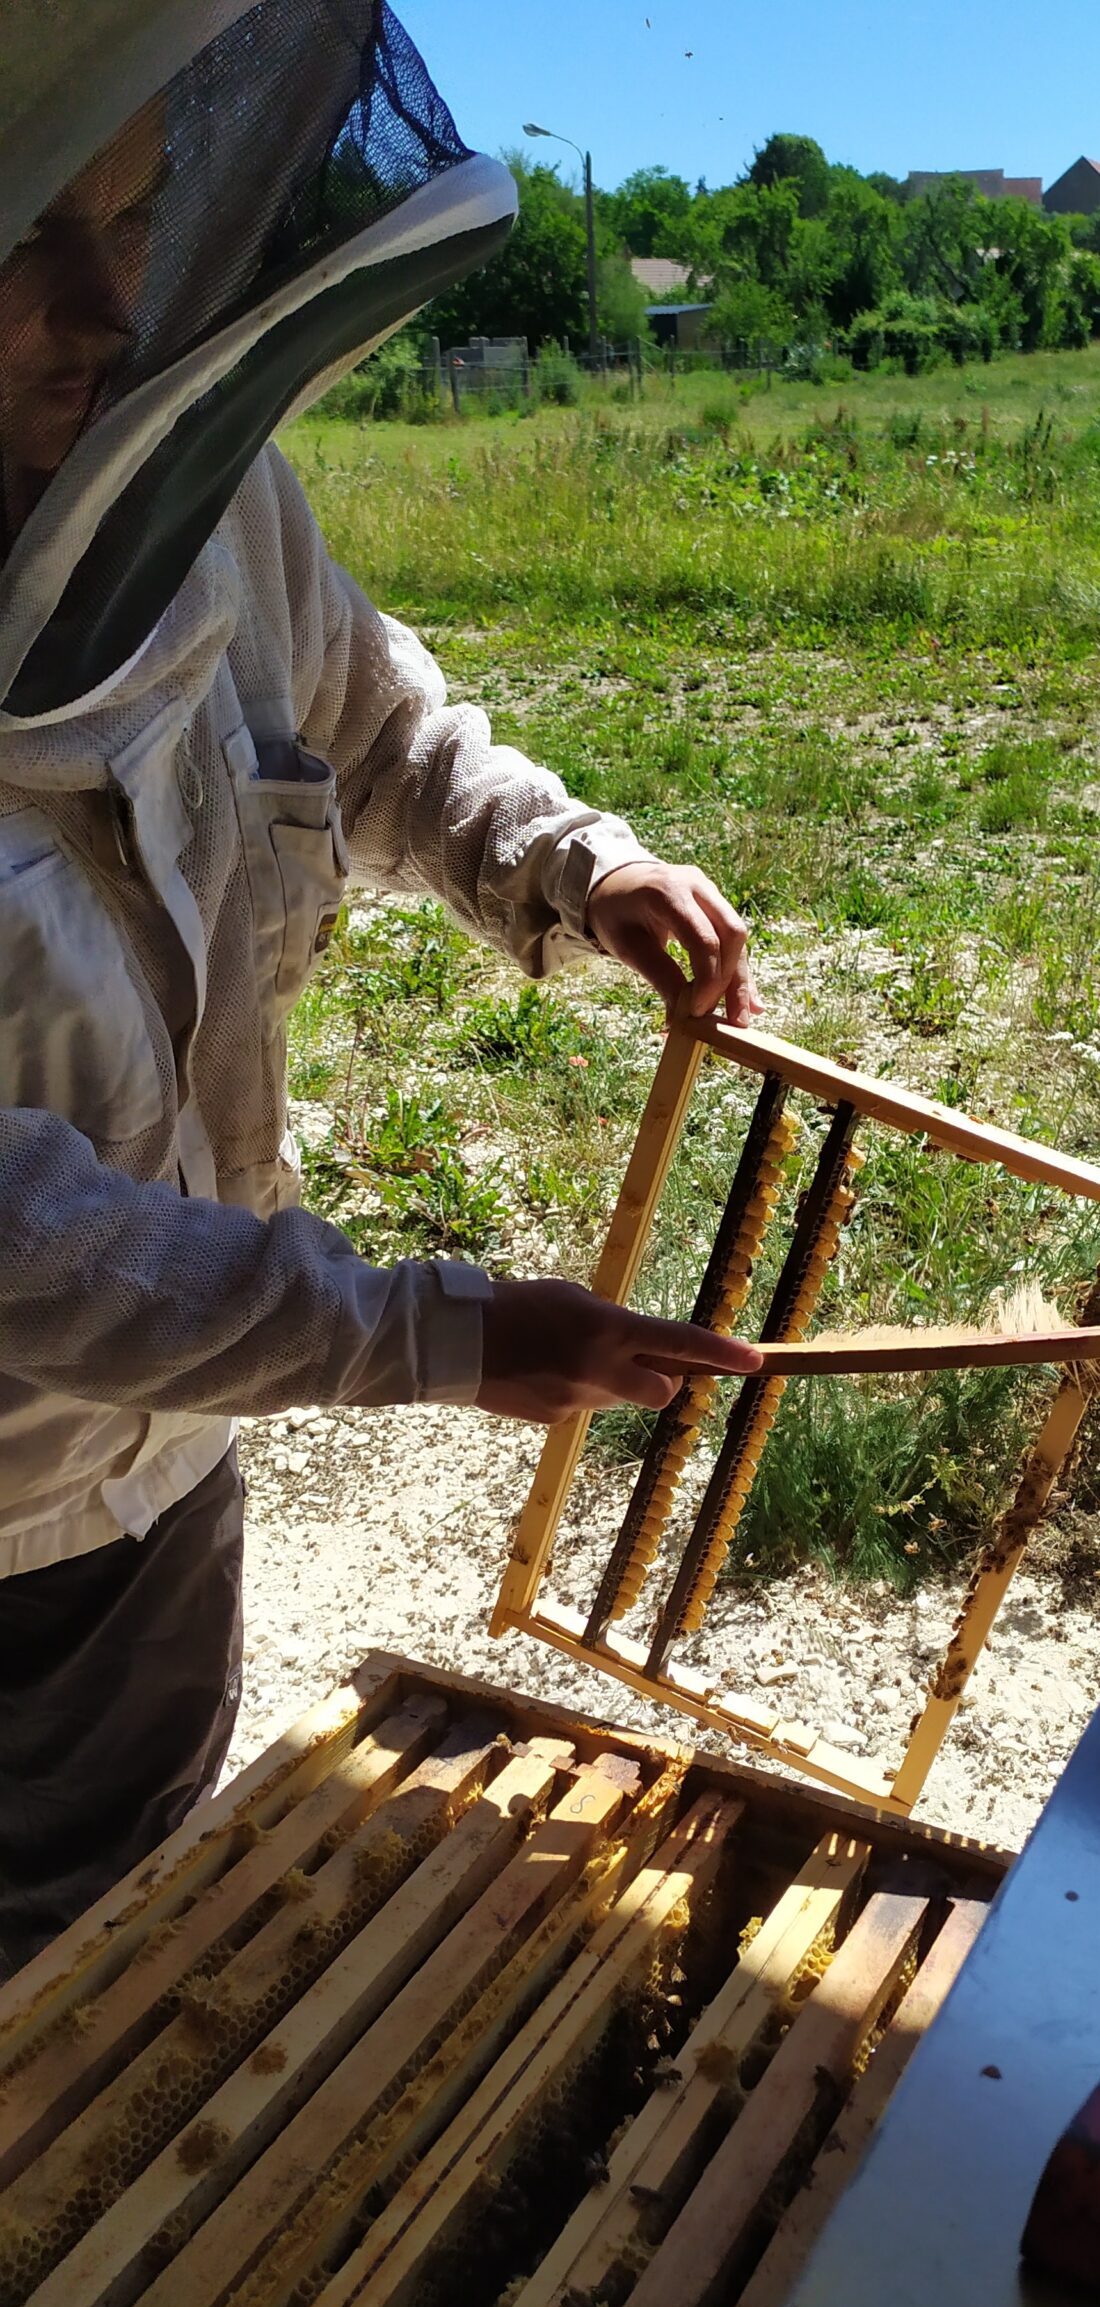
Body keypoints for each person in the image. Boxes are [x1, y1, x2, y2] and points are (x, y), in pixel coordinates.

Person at [0, 1, 762, 1975]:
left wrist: (571, 859)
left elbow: (373, 727)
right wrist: (430, 1335)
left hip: (172, 1480)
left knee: (137, 1937)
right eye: (22, 243)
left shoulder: (206, 494)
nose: (100, 305)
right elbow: (32, 1248)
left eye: (140, 214)